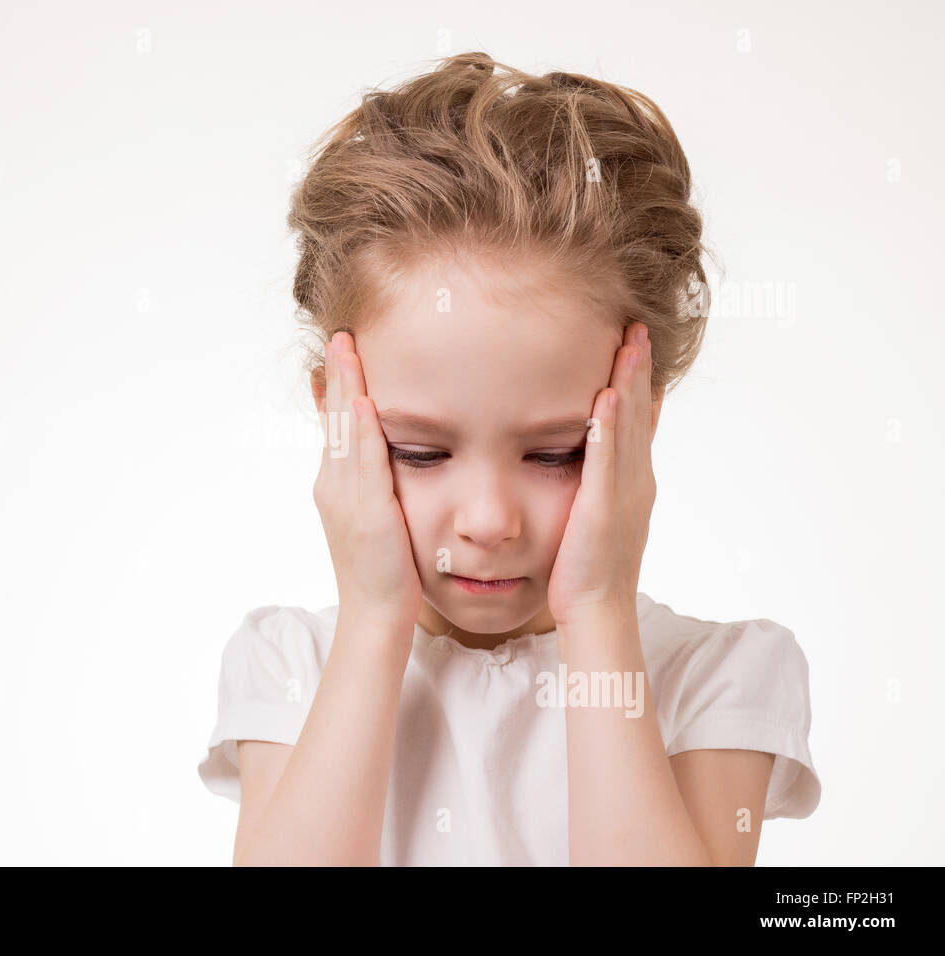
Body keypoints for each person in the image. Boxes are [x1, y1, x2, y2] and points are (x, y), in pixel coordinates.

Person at [197, 51, 820, 865]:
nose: (487, 522)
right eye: (418, 451)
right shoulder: (291, 669)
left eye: (556, 452)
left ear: (638, 423)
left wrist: (597, 610)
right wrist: (374, 619)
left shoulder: (717, 678)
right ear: (339, 418)